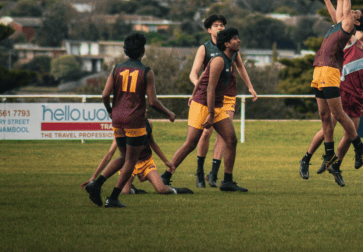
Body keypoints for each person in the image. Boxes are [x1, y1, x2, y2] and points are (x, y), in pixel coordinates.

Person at [299, 0, 363, 186]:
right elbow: (338, 19)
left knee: (349, 134)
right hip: (341, 89)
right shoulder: (351, 40)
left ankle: (336, 166)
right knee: (327, 126)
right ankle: (308, 157)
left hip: (358, 95)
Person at [85, 32, 176, 208]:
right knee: (130, 161)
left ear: (125, 51)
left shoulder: (116, 69)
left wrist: (111, 111)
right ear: (143, 51)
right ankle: (112, 198)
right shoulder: (146, 72)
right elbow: (153, 101)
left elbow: (105, 95)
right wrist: (169, 113)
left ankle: (96, 183)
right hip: (135, 120)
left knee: (123, 156)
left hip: (117, 119)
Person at [161, 28, 251, 192]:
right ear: (226, 44)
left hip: (216, 105)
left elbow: (203, 76)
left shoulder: (230, 59)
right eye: (235, 38)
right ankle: (165, 176)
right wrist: (208, 111)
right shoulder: (219, 61)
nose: (239, 41)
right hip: (203, 105)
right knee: (191, 144)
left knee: (231, 140)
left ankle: (227, 182)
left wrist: (193, 93)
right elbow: (209, 88)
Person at [310, 0, 363, 177]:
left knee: (344, 128)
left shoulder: (360, 37)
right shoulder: (347, 30)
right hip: (338, 82)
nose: (351, 12)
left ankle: (336, 162)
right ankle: (325, 158)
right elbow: (341, 1)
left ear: (358, 23)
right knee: (329, 120)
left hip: (350, 87)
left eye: (355, 13)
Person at [185, 14, 257, 188]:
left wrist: (250, 87)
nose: (220, 27)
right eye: (216, 25)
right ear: (209, 29)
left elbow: (240, 67)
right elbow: (193, 74)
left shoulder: (231, 48)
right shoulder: (205, 48)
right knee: (206, 133)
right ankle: (200, 172)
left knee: (226, 135)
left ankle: (215, 174)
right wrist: (199, 88)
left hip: (228, 94)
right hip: (209, 96)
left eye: (222, 25)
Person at [82, 119, 192, 197]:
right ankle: (133, 189)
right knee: (124, 192)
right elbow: (110, 154)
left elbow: (152, 143)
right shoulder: (123, 128)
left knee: (161, 189)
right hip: (129, 164)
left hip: (146, 162)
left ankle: (176, 190)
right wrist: (94, 176)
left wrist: (166, 161)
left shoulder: (148, 123)